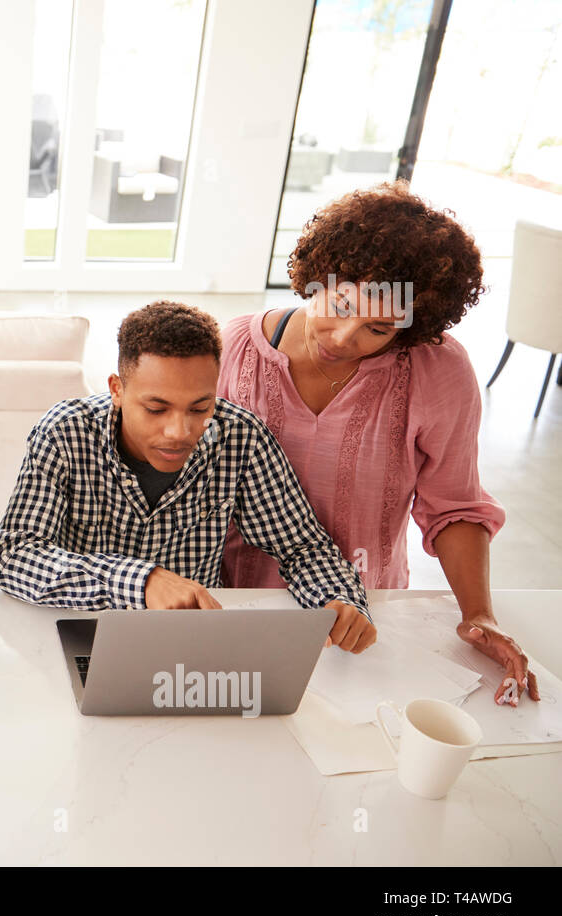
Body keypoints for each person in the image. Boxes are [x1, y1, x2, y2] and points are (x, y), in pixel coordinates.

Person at [218, 181, 537, 706]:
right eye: (340, 303)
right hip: (237, 602)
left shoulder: (439, 372)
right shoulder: (233, 349)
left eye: (378, 327)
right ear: (318, 276)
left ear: (412, 328)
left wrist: (478, 612)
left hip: (363, 616)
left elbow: (454, 506)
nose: (343, 337)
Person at [0, 300, 374, 652]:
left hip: (193, 646)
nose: (179, 431)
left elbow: (302, 547)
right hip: (81, 634)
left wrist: (337, 598)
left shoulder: (241, 437)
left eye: (199, 408)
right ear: (117, 390)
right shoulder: (65, 432)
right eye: (156, 409)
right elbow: (14, 557)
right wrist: (141, 580)